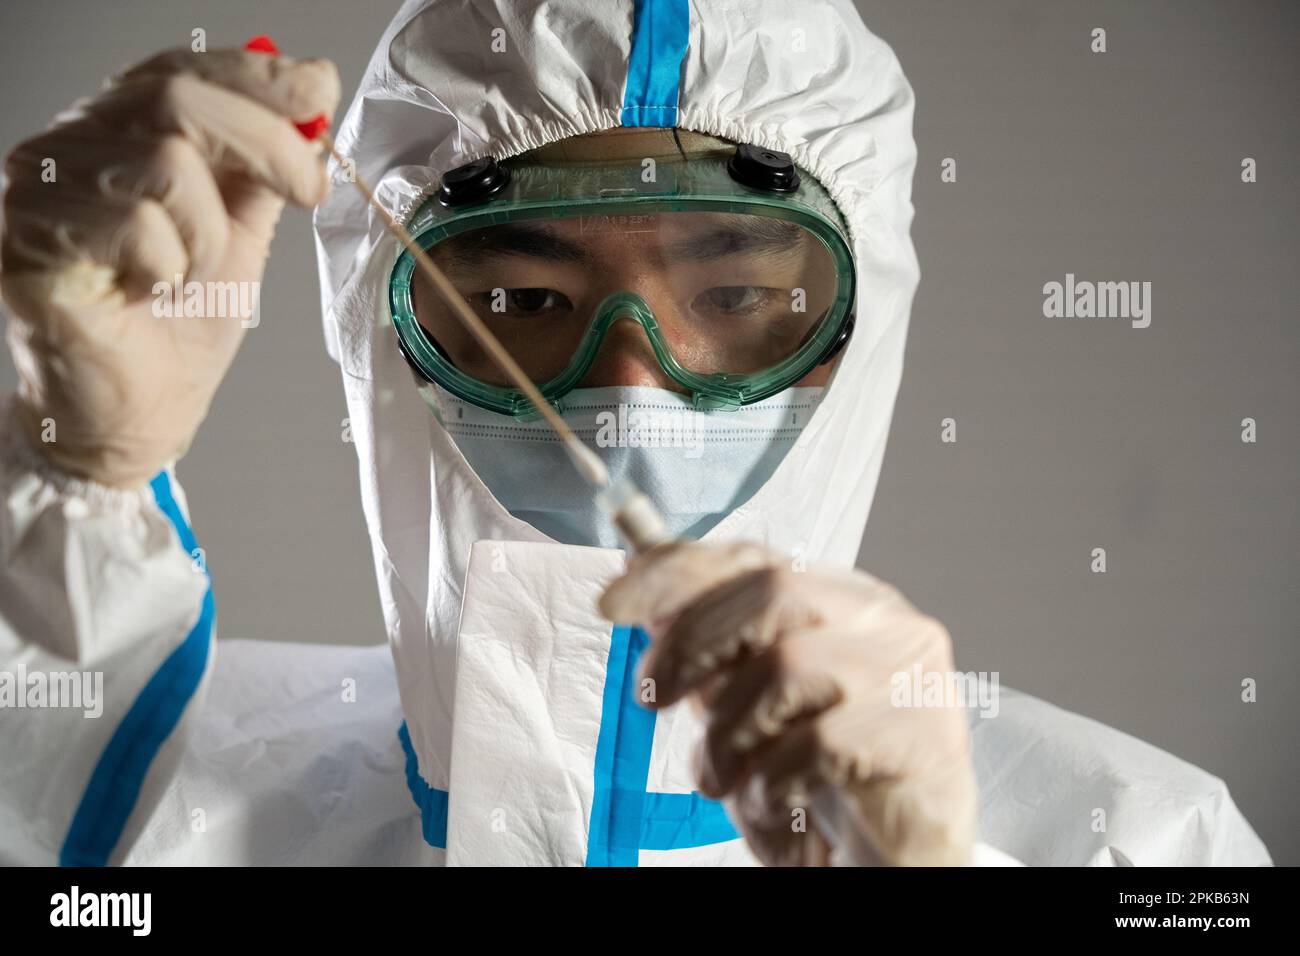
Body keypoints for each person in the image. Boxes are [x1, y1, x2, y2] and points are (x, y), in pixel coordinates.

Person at [0, 0, 1269, 866]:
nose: (626, 385)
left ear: (859, 329)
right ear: (374, 332)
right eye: (517, 304)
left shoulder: (1143, 842)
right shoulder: (142, 777)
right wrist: (62, 490)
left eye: (732, 299)